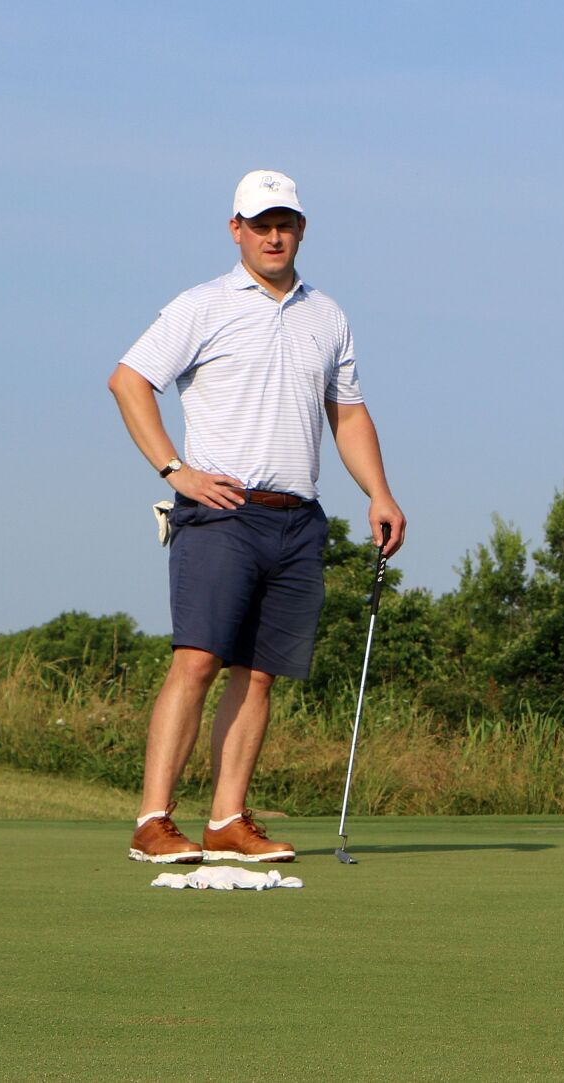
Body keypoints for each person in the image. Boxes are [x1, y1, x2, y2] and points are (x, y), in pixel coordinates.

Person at [108, 170, 405, 866]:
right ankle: (153, 819)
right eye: (260, 222)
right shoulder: (203, 305)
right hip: (221, 511)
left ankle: (226, 820)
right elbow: (129, 380)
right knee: (198, 659)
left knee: (260, 671)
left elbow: (348, 412)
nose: (274, 235)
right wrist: (173, 469)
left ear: (301, 228)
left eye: (286, 222)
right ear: (236, 228)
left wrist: (380, 493)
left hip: (297, 518)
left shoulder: (327, 316)